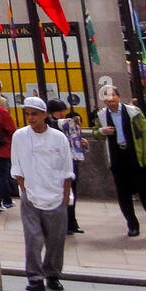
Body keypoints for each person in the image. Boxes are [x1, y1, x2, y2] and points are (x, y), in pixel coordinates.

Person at [10, 97, 74, 291]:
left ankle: (53, 274)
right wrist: (25, 189)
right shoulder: (19, 136)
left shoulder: (58, 137)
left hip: (55, 195)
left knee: (55, 240)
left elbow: (67, 168)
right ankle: (35, 278)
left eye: (34, 114)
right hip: (31, 195)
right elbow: (17, 166)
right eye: (27, 114)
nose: (30, 118)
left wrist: (65, 196)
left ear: (44, 115)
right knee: (33, 239)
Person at [93, 85, 146, 238]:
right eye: (107, 97)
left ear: (118, 96)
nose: (110, 100)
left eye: (113, 95)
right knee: (124, 195)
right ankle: (132, 225)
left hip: (136, 157)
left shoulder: (133, 112)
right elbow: (97, 134)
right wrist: (102, 131)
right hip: (117, 159)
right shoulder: (101, 116)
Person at [46, 99, 87, 233]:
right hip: (58, 164)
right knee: (63, 193)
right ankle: (63, 223)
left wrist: (82, 143)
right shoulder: (49, 126)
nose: (62, 114)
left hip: (72, 160)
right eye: (59, 112)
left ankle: (72, 222)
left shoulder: (68, 124)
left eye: (63, 111)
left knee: (72, 192)